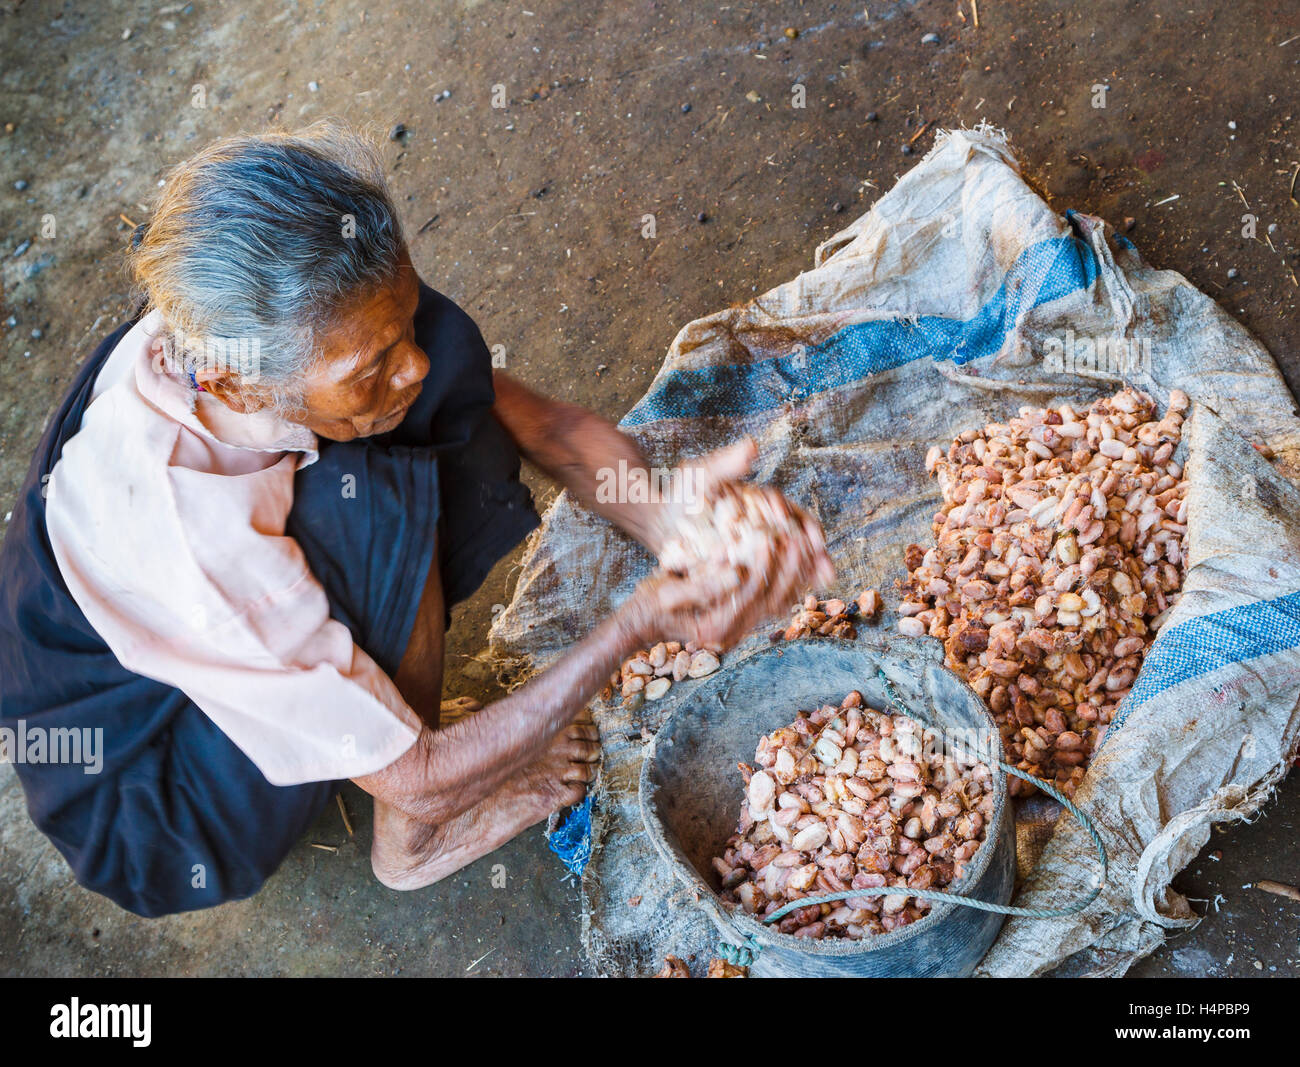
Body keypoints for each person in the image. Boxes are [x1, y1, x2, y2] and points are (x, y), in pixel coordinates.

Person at [0, 122, 829, 917]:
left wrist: (669, 517)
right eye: (372, 363)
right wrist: (636, 625)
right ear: (238, 392)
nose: (413, 362)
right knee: (380, 507)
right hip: (154, 789)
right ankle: (413, 848)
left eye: (395, 328)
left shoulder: (277, 321)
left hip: (213, 643)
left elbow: (527, 417)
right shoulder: (196, 537)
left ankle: (376, 684)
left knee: (431, 380)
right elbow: (420, 770)